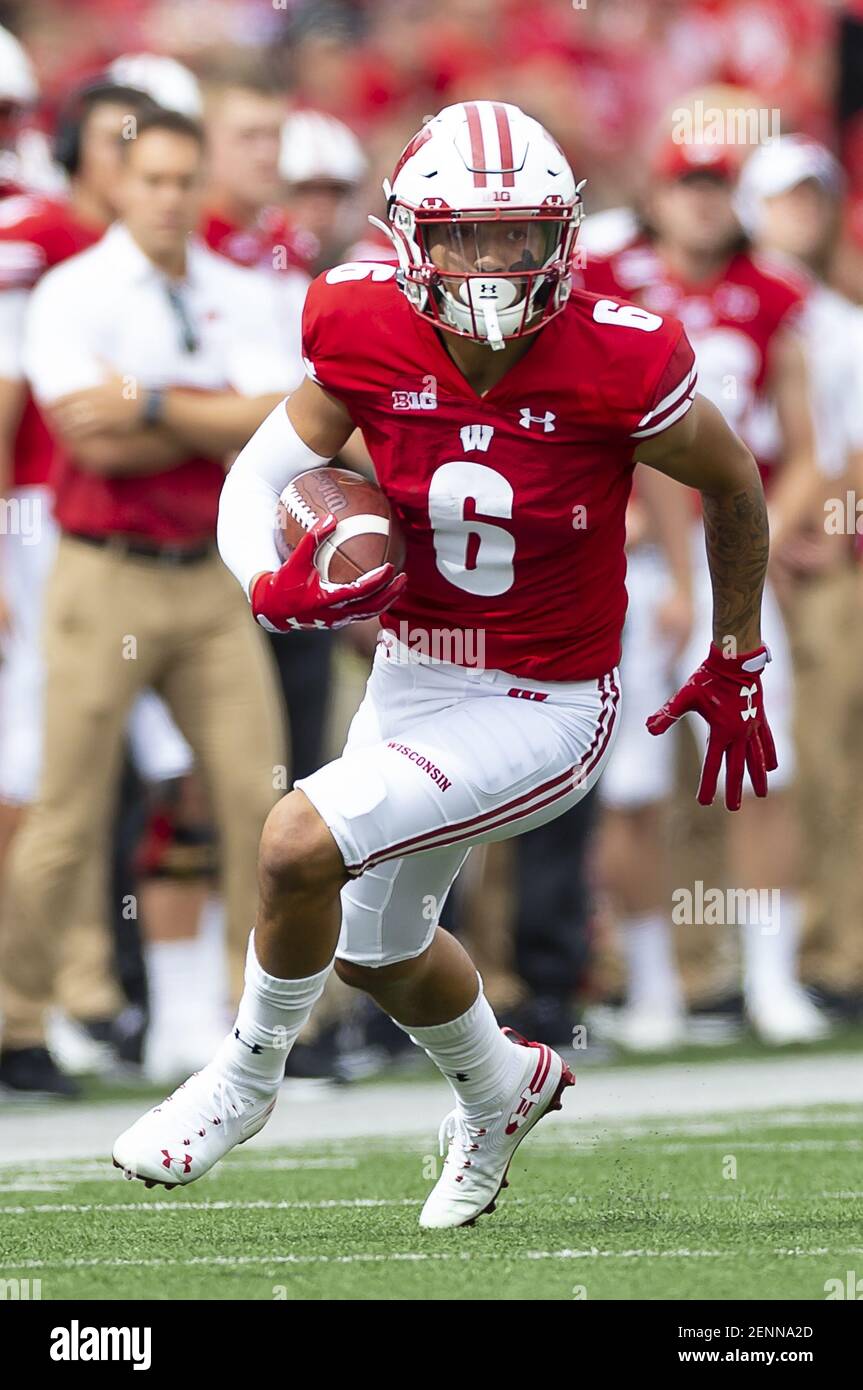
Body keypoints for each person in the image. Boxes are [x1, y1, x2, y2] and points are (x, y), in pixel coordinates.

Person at [115, 101, 776, 1230]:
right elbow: (255, 477)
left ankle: (245, 1074)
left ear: (559, 236)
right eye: (464, 235)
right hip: (416, 671)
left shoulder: (620, 352)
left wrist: (734, 646)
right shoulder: (361, 322)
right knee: (375, 949)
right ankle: (499, 1082)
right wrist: (264, 586)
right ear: (411, 237)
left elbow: (732, 482)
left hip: (547, 701)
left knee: (293, 840)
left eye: (517, 234)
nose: (492, 261)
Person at [0, 109, 294, 1078]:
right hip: (103, 570)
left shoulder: (236, 288)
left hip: (209, 568)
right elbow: (89, 439)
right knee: (68, 810)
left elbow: (281, 423)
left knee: (266, 804)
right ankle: (15, 1020)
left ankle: (270, 1025)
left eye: (182, 180)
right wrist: (208, 414)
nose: (168, 198)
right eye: (152, 179)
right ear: (120, 184)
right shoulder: (74, 291)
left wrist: (153, 400)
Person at [580, 133, 826, 1047]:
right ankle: (652, 989)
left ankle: (769, 979)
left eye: (716, 184)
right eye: (685, 180)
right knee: (629, 788)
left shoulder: (769, 296)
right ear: (656, 185)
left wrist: (751, 543)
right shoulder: (604, 272)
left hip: (726, 575)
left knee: (763, 769)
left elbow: (804, 448)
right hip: (624, 567)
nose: (700, 200)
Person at [736, 135, 863, 1018]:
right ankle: (703, 969)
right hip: (732, 560)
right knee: (725, 774)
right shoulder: (737, 306)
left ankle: (832, 951)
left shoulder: (837, 319)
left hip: (820, 565)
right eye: (784, 199)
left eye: (813, 198)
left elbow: (846, 449)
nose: (801, 214)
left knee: (823, 762)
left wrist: (824, 530)